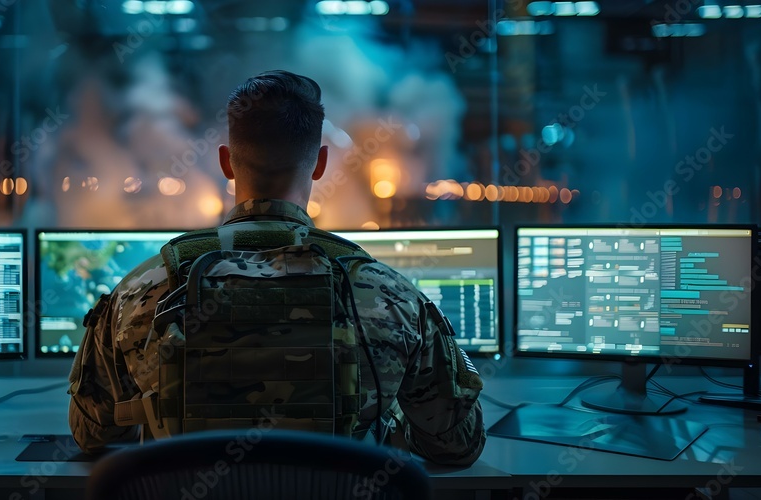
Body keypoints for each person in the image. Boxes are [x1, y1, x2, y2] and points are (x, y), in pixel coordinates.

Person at [67, 70, 486, 465]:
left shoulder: (142, 290)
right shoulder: (390, 297)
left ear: (226, 162)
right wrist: (383, 414)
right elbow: (458, 445)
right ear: (320, 163)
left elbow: (90, 432)